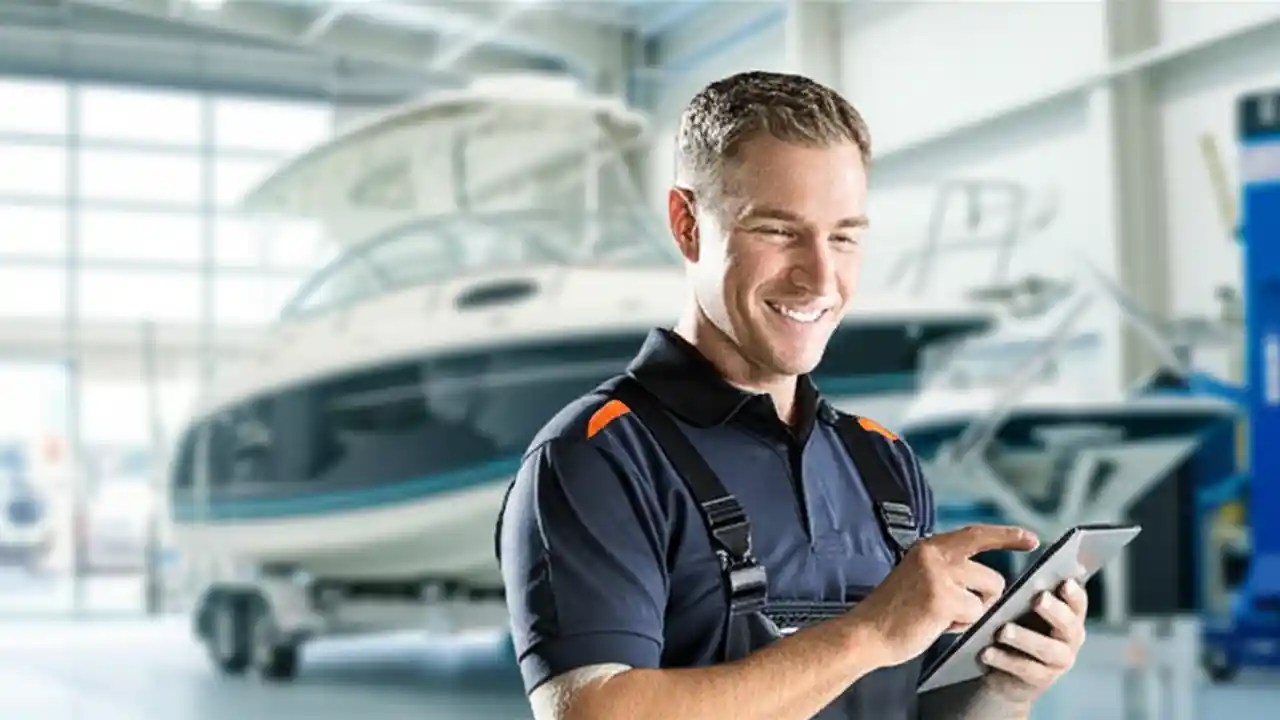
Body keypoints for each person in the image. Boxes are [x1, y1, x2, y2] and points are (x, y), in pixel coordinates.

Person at [495, 71, 1088, 720]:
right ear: (687, 223)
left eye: (843, 236)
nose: (821, 278)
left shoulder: (883, 464)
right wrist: (867, 635)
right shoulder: (599, 456)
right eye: (779, 231)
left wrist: (1004, 688)